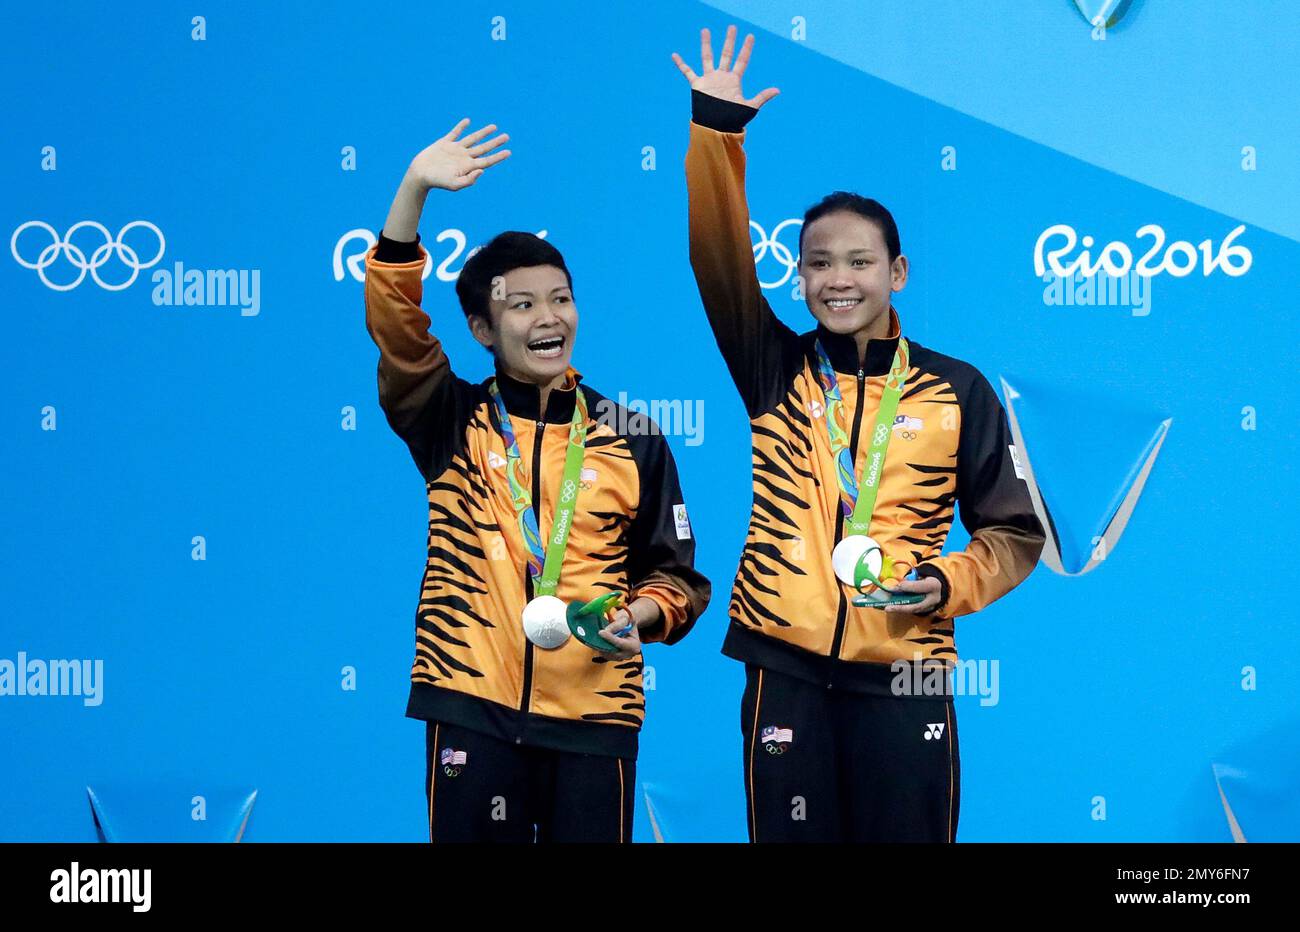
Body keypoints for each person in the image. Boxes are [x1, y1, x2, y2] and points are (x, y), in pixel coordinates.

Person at [674, 26, 1045, 842]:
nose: (838, 279)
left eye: (859, 262)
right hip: (786, 668)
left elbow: (1015, 533)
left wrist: (947, 583)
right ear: (798, 274)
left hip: (909, 671)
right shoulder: (772, 366)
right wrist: (715, 131)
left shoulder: (958, 388)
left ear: (896, 272)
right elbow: (716, 261)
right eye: (817, 263)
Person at [364, 118, 710, 842]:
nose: (549, 318)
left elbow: (677, 581)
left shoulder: (634, 437)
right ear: (483, 330)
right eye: (521, 305)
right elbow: (397, 329)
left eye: (560, 298)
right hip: (470, 707)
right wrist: (413, 190)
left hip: (595, 720)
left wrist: (638, 617)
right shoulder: (448, 418)